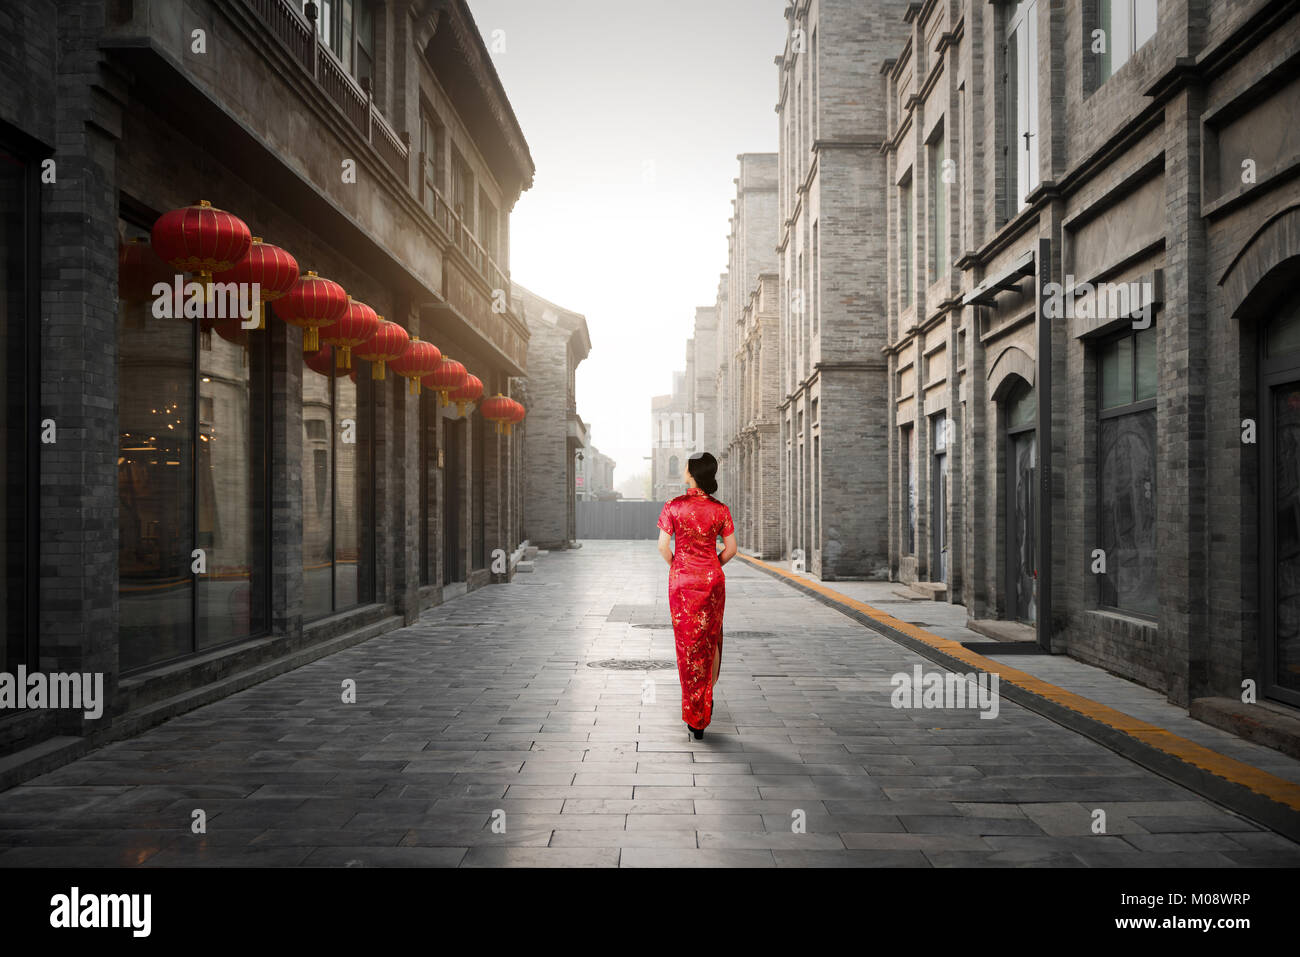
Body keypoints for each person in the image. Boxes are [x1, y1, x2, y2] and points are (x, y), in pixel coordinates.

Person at [656, 452, 738, 740]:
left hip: (682, 582)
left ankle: (694, 713)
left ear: (691, 472)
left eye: (685, 466)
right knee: (710, 638)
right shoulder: (720, 509)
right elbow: (731, 549)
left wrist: (681, 567)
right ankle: (707, 695)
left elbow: (663, 547)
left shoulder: (673, 506)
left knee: (687, 644)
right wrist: (710, 565)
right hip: (712, 581)